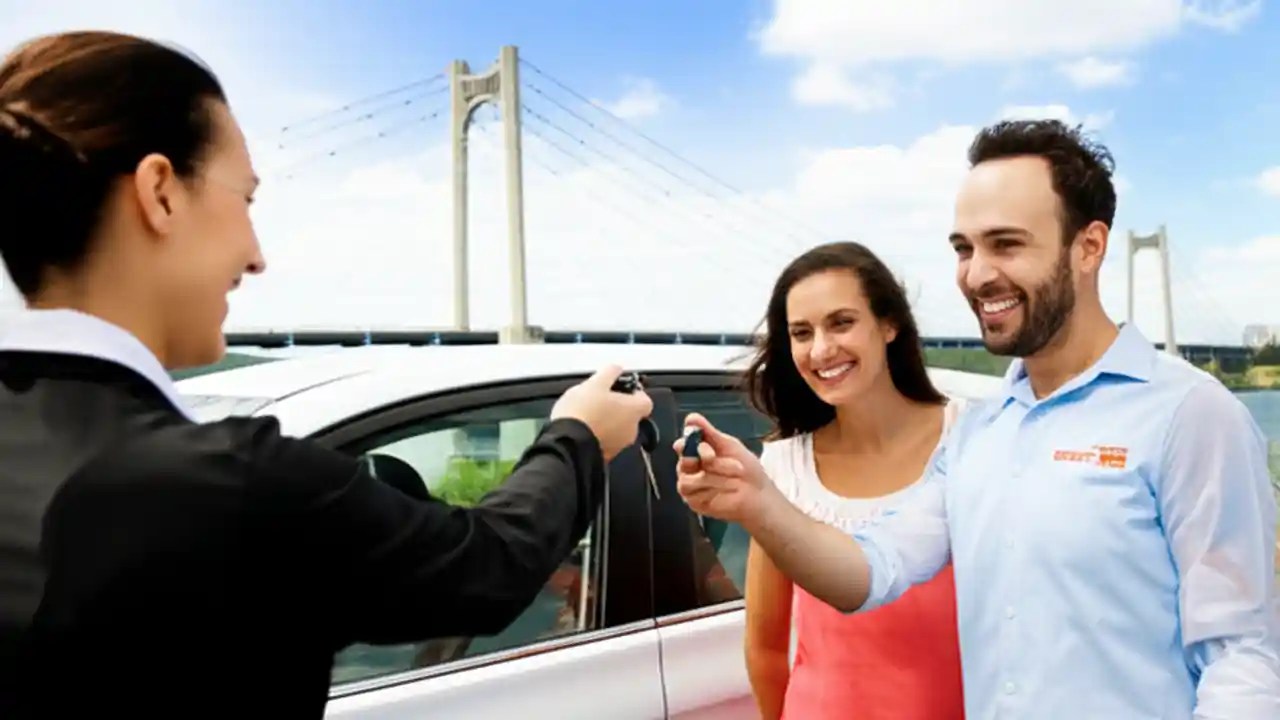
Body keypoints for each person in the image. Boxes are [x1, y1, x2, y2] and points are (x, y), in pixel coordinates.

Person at [0, 30, 653, 717]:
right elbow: (486, 566)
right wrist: (577, 433)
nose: (257, 257)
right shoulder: (232, 484)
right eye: (246, 200)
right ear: (161, 192)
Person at [676, 119, 1280, 719]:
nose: (977, 273)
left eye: (1006, 244)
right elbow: (870, 572)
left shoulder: (1189, 414)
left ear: (1089, 247)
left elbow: (1242, 659)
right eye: (965, 248)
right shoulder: (979, 434)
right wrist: (757, 500)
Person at [739, 241, 965, 719]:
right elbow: (764, 648)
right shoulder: (783, 469)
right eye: (801, 332)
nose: (821, 349)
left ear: (889, 323)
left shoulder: (971, 438)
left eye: (841, 322)